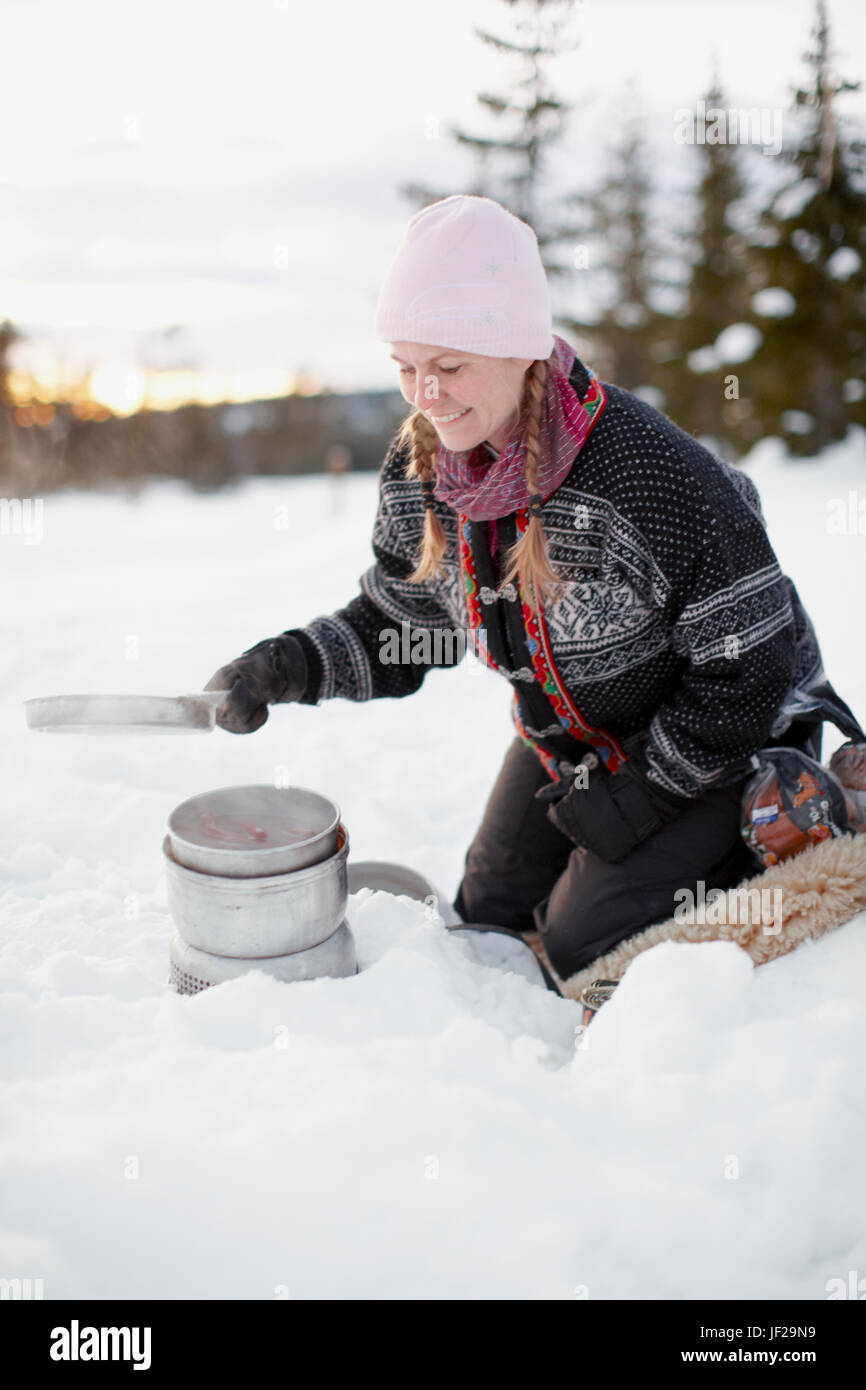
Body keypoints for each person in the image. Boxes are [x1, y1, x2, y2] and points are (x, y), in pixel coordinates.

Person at [204, 193, 832, 986]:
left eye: (449, 367)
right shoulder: (424, 466)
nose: (425, 396)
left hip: (721, 740)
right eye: (406, 369)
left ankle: (792, 824)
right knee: (492, 910)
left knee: (579, 943)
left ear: (518, 348)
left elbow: (754, 664)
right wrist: (287, 665)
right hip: (571, 736)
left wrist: (643, 796)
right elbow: (409, 622)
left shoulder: (644, 472)